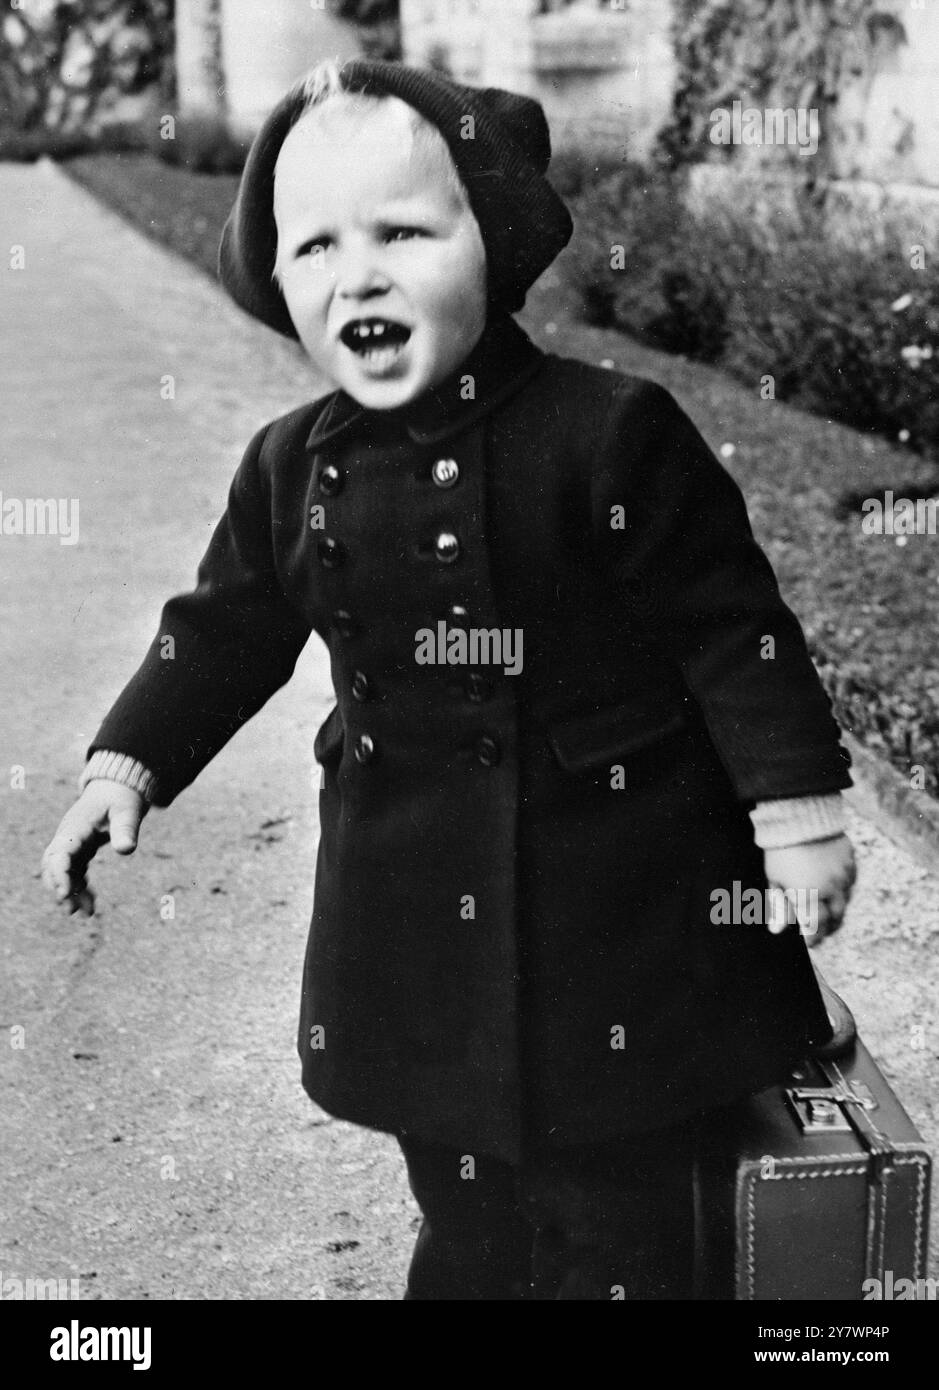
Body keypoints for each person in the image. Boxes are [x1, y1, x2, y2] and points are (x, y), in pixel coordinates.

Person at [41, 58, 857, 1300]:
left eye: (404, 232)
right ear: (275, 280)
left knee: (617, 1201)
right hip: (409, 888)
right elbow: (223, 627)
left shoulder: (608, 432)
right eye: (312, 247)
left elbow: (730, 630)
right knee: (463, 1179)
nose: (355, 273)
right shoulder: (288, 468)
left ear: (497, 241)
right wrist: (129, 760)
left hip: (615, 893)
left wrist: (795, 815)